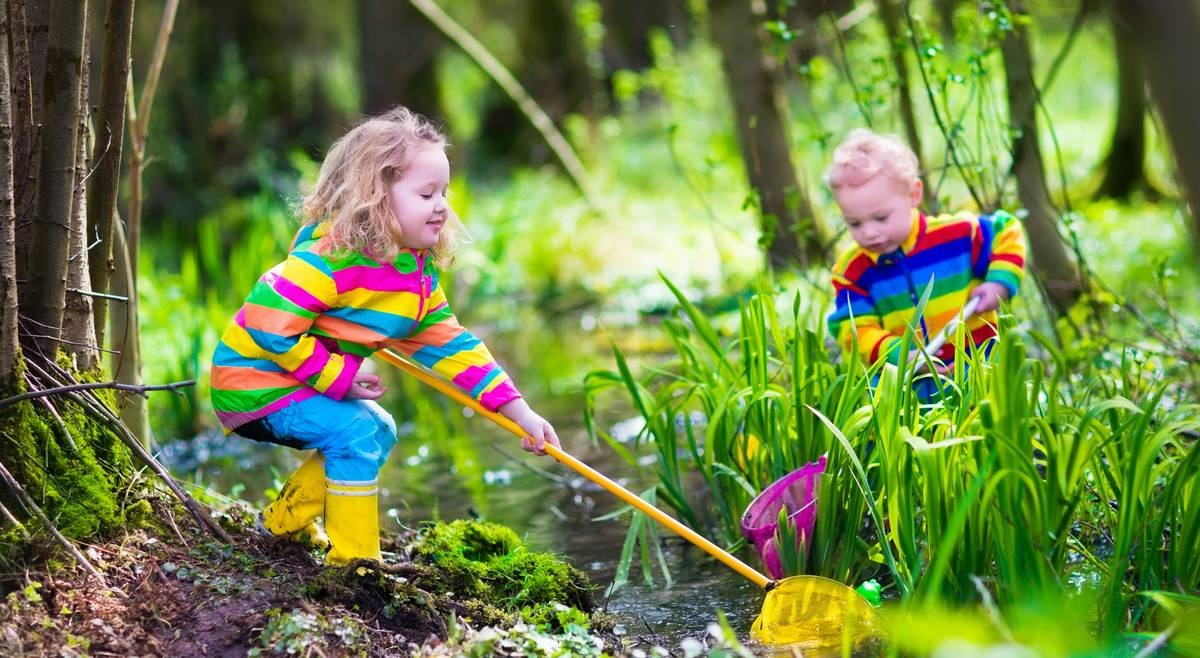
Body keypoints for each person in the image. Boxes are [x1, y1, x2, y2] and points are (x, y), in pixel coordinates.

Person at [209, 107, 560, 565]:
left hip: (295, 383)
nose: (442, 205)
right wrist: (338, 375)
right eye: (426, 193)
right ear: (373, 196)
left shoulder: (413, 282)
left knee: (380, 427)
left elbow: (456, 350)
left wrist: (521, 413)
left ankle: (282, 524)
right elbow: (269, 327)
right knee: (356, 431)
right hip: (251, 381)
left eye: (444, 193)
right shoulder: (326, 262)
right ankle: (355, 563)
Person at [824, 128, 1027, 375]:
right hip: (908, 388)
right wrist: (899, 355)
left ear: (914, 194)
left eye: (880, 217)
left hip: (979, 373)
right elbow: (854, 329)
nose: (869, 233)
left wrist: (1000, 283)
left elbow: (1006, 229)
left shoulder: (956, 235)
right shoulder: (854, 271)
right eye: (855, 223)